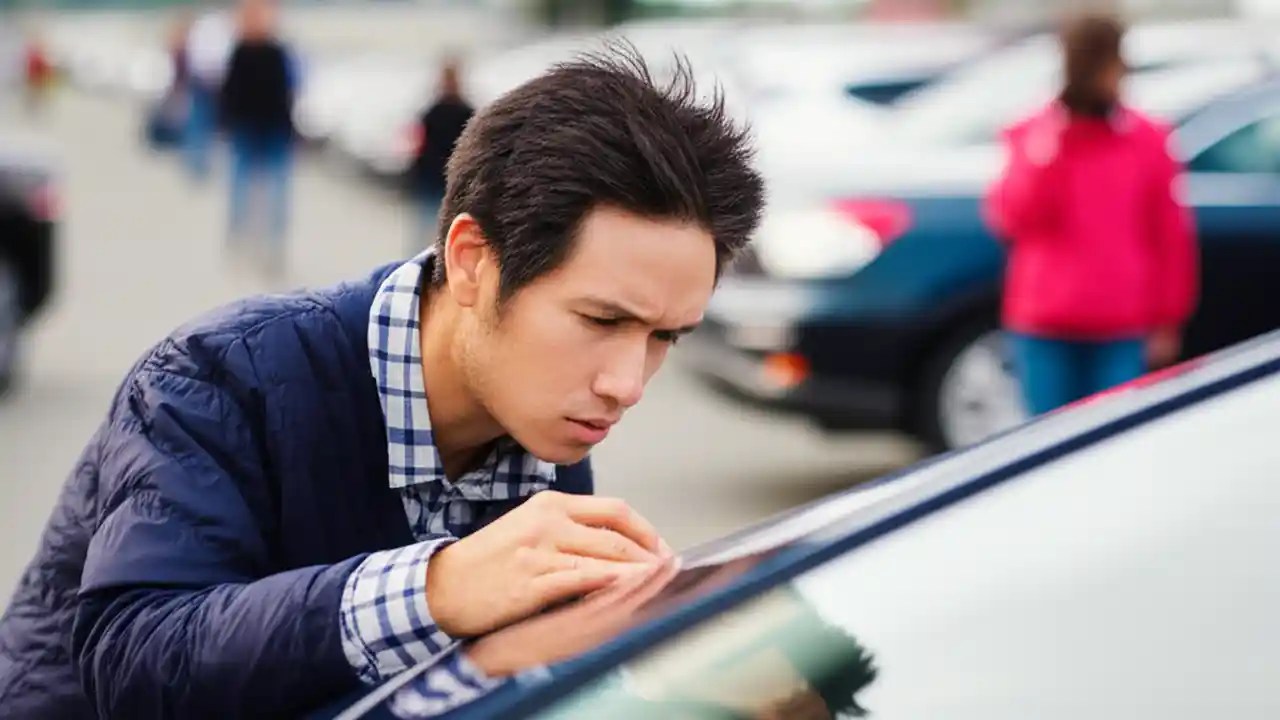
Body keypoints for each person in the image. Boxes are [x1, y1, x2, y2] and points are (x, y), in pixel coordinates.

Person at [0, 45, 764, 718]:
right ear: (470, 260)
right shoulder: (222, 375)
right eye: (601, 320)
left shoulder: (548, 422)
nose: (627, 384)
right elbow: (136, 664)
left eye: (665, 336)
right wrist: (440, 589)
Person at [983, 14, 1198, 417]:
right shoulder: (1036, 135)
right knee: (1043, 443)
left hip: (1120, 319)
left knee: (1112, 439)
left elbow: (1169, 234)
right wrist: (1045, 154)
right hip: (1045, 320)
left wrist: (1168, 317)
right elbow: (1011, 219)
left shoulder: (1146, 139)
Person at [218, 0, 299, 275]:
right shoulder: (240, 52)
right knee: (242, 186)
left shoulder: (276, 52)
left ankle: (272, 243)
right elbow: (229, 93)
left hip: (273, 128)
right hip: (247, 128)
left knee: (276, 190)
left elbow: (288, 93)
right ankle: (240, 234)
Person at [408, 58, 474, 253]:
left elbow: (419, 146)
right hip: (443, 180)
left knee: (431, 229)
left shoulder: (433, 112)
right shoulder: (465, 113)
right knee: (442, 230)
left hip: (440, 180)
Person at [183, 2, 233, 180]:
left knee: (199, 123)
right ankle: (198, 164)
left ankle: (197, 163)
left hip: (202, 78)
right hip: (211, 80)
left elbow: (193, 53)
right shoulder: (222, 27)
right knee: (204, 123)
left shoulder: (203, 25)